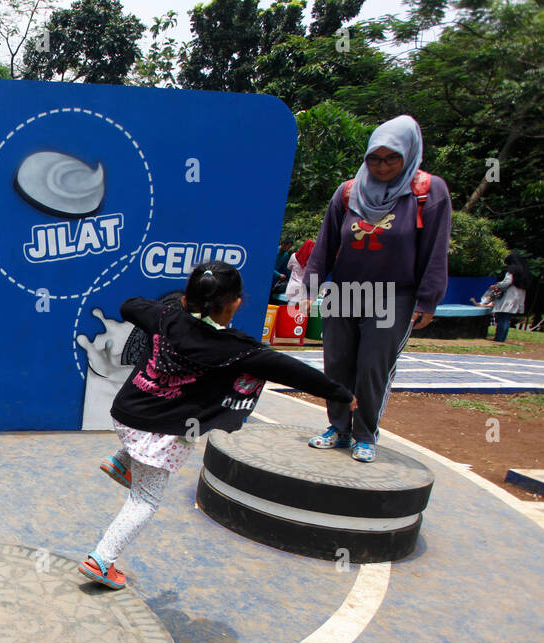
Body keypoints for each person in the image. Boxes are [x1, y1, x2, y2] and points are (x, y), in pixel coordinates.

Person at [78, 261, 356, 590]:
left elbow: (129, 305)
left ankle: (121, 460)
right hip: (159, 431)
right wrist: (338, 394)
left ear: (186, 297)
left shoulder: (164, 316)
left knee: (155, 432)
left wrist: (169, 310)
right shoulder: (235, 349)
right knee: (145, 501)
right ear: (235, 303)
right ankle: (102, 559)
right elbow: (290, 370)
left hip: (124, 415)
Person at [302, 115, 451, 462]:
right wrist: (309, 288)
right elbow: (325, 244)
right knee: (337, 363)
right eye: (375, 158)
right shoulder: (349, 191)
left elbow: (435, 248)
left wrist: (428, 299)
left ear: (409, 155)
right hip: (343, 291)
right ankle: (338, 427)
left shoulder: (428, 192)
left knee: (373, 366)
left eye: (391, 159)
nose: (382, 166)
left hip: (393, 295)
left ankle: (364, 433)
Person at [475, 253, 531, 342]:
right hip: (518, 297)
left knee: (502, 317)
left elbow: (507, 282)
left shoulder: (512, 270)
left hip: (509, 297)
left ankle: (499, 338)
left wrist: (497, 285)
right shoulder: (524, 272)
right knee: (507, 318)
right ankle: (502, 338)